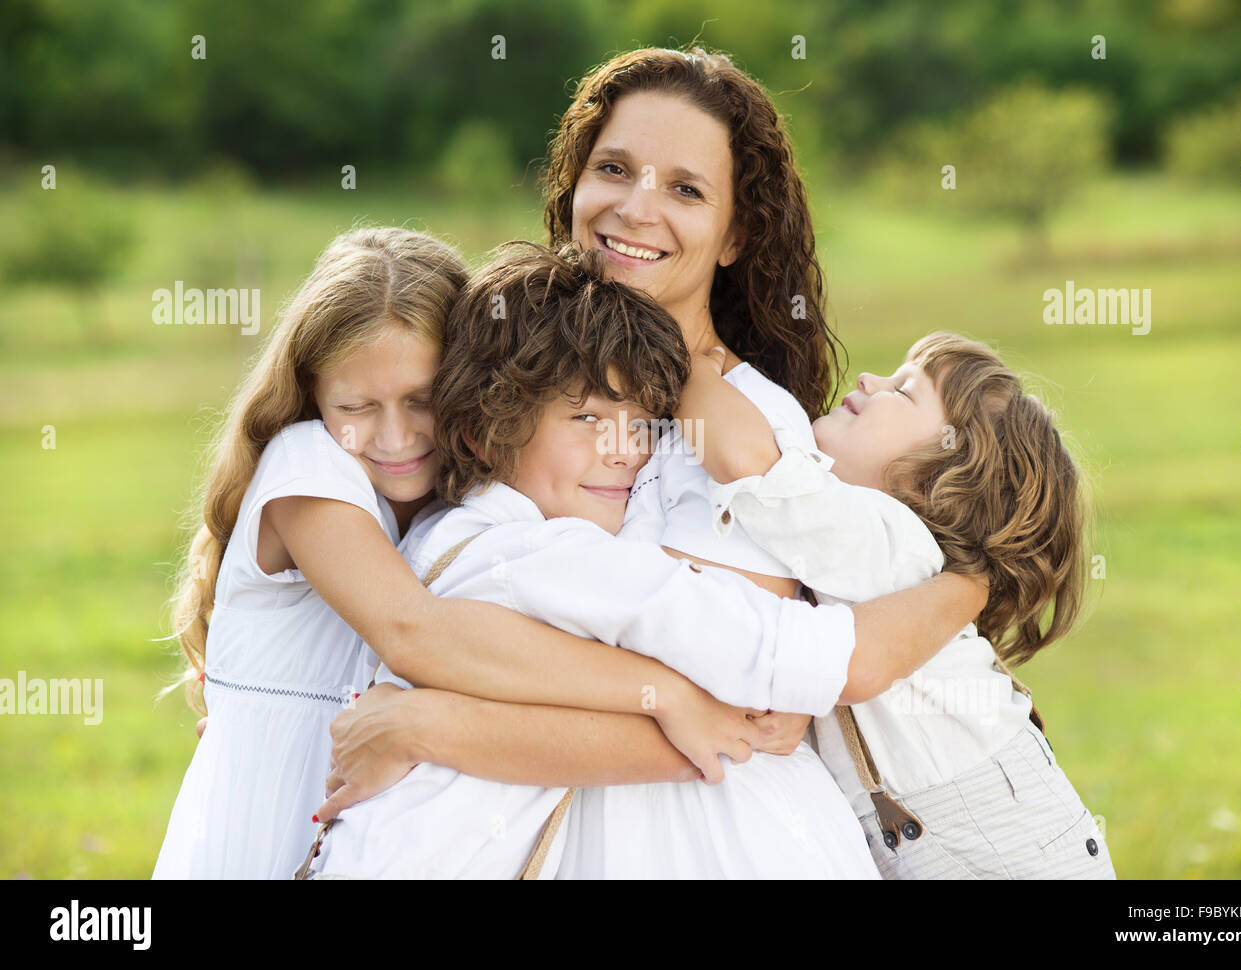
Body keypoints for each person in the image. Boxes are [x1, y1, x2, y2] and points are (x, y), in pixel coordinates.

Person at [317, 48, 988, 850]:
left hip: (704, 837)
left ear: (734, 234)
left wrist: (431, 722)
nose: (636, 208)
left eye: (685, 189)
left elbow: (729, 708)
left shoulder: (747, 433)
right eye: (614, 168)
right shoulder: (518, 362)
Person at [307, 242, 877, 878]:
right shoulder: (534, 556)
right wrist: (964, 582)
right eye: (585, 418)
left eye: (642, 423)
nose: (624, 449)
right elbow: (726, 633)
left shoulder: (439, 535)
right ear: (480, 433)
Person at [680, 330, 1117, 878]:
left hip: (1003, 847)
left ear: (933, 480)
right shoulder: (876, 557)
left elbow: (745, 459)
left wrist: (687, 368)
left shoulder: (891, 540)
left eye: (904, 390)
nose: (868, 379)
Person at [154, 227, 468, 878]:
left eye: (423, 400)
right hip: (262, 846)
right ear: (311, 391)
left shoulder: (460, 506)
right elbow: (414, 633)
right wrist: (659, 696)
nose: (395, 435)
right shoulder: (307, 466)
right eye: (357, 406)